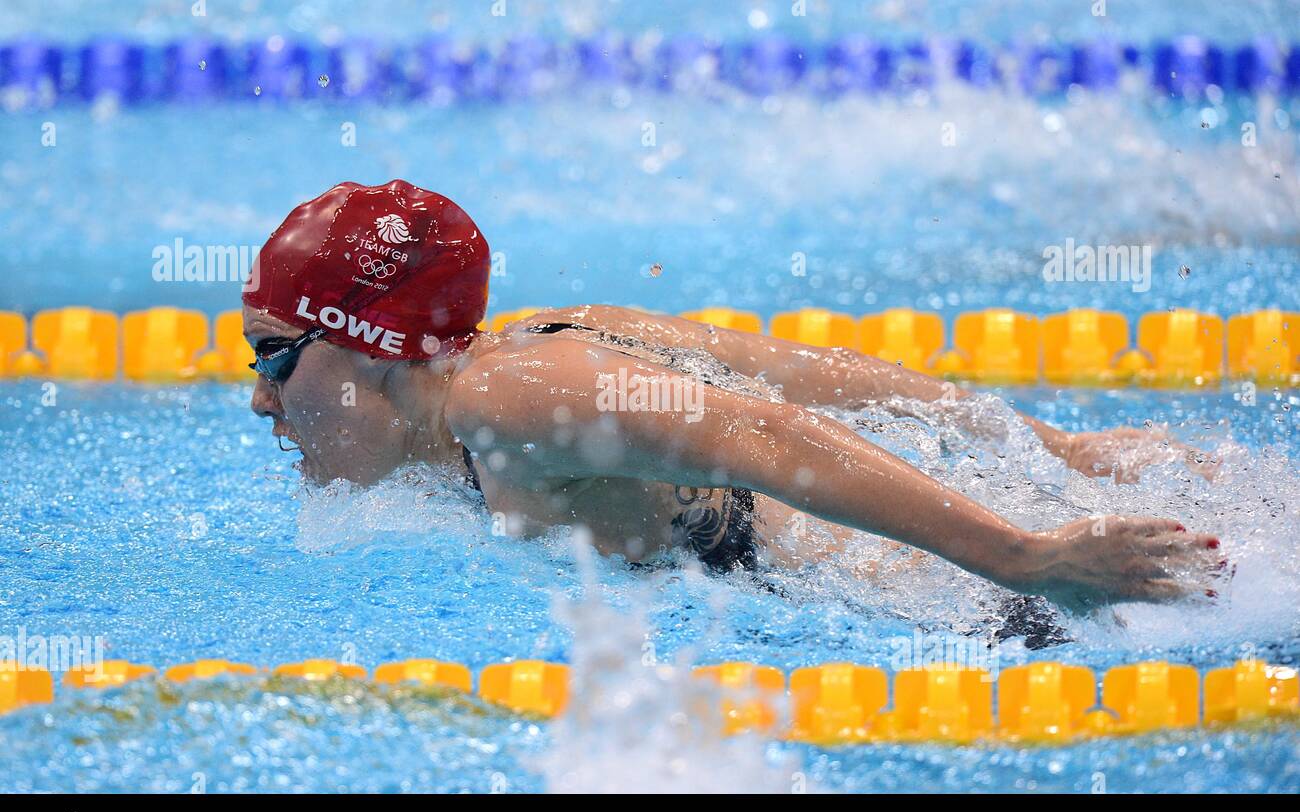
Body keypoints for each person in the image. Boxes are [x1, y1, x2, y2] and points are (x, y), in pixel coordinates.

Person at [242, 180, 1224, 615]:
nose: (260, 401)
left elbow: (768, 427)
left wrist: (1029, 558)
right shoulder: (539, 345)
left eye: (276, 358)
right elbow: (805, 370)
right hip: (974, 568)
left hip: (976, 609)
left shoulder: (511, 399)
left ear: (369, 345)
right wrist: (1054, 448)